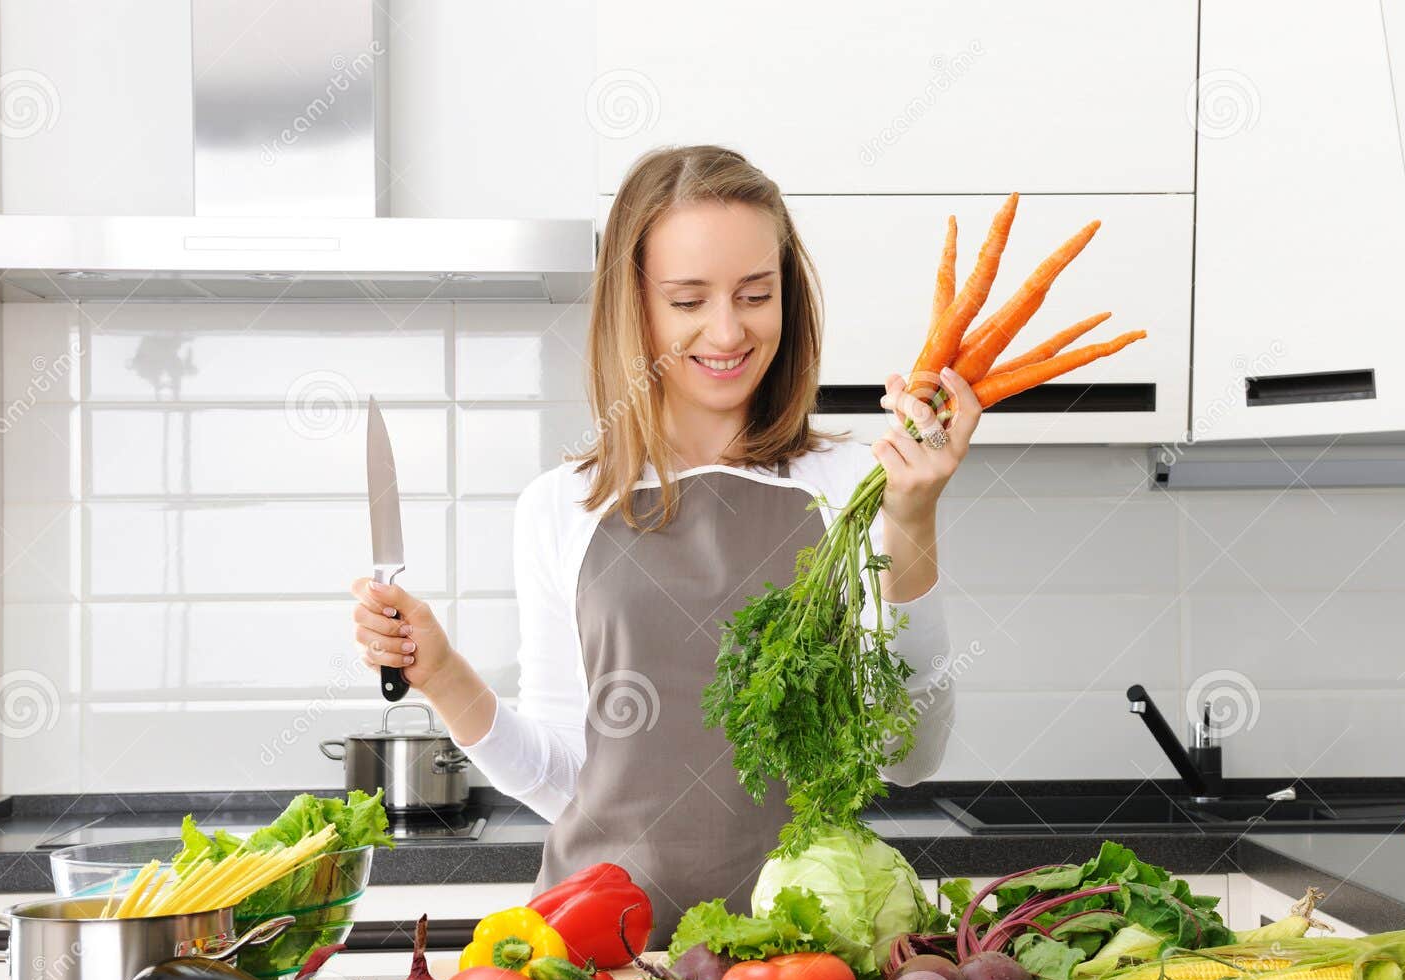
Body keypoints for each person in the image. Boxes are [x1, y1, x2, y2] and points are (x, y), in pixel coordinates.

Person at [349, 144, 981, 940]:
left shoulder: (859, 483)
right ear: (635, 306)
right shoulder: (561, 507)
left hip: (795, 966)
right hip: (601, 965)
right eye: (688, 300)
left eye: (756, 293)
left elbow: (906, 752)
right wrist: (439, 673)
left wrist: (913, 525)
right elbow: (568, 779)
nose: (728, 329)